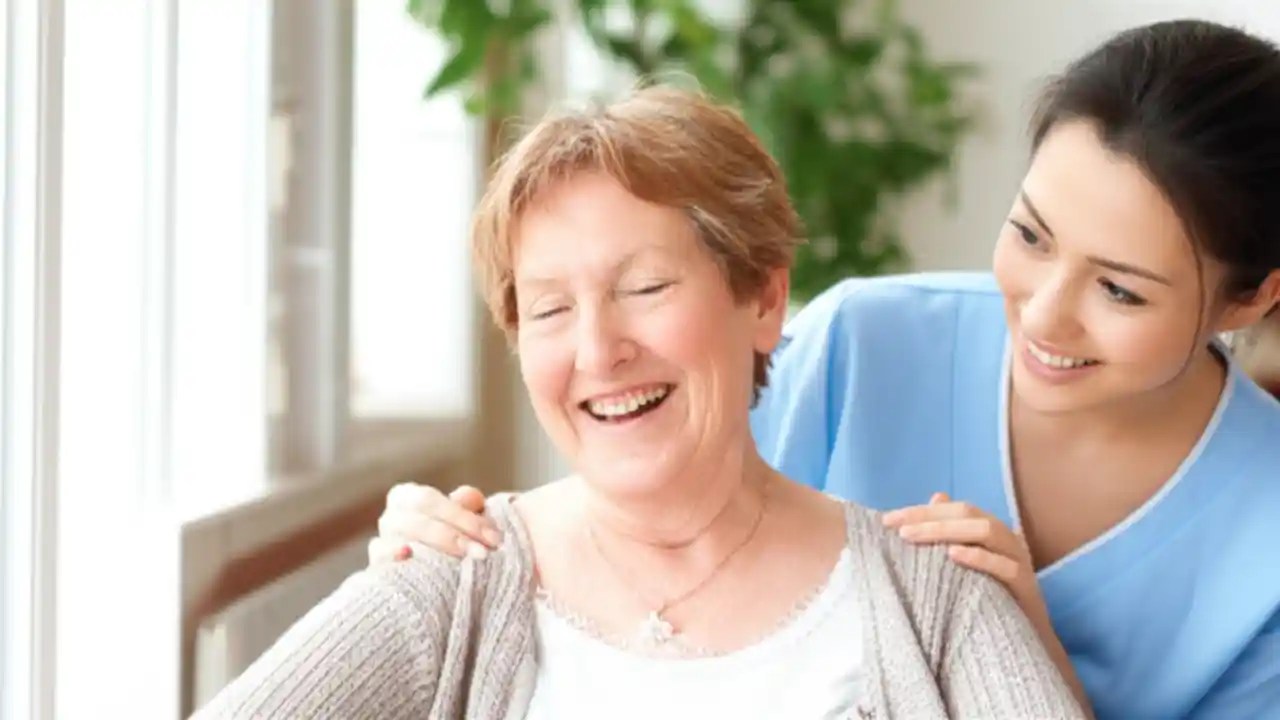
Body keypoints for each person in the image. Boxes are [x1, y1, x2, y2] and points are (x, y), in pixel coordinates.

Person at [369, 19, 1280, 720]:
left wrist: (1029, 652)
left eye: (1120, 291)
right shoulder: (863, 342)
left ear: (1249, 300)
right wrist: (451, 558)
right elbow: (641, 523)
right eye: (1030, 235)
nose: (1040, 314)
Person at [192, 87, 1083, 719]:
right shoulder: (451, 581)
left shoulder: (930, 599)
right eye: (548, 309)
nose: (597, 350)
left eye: (646, 286)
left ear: (764, 300)